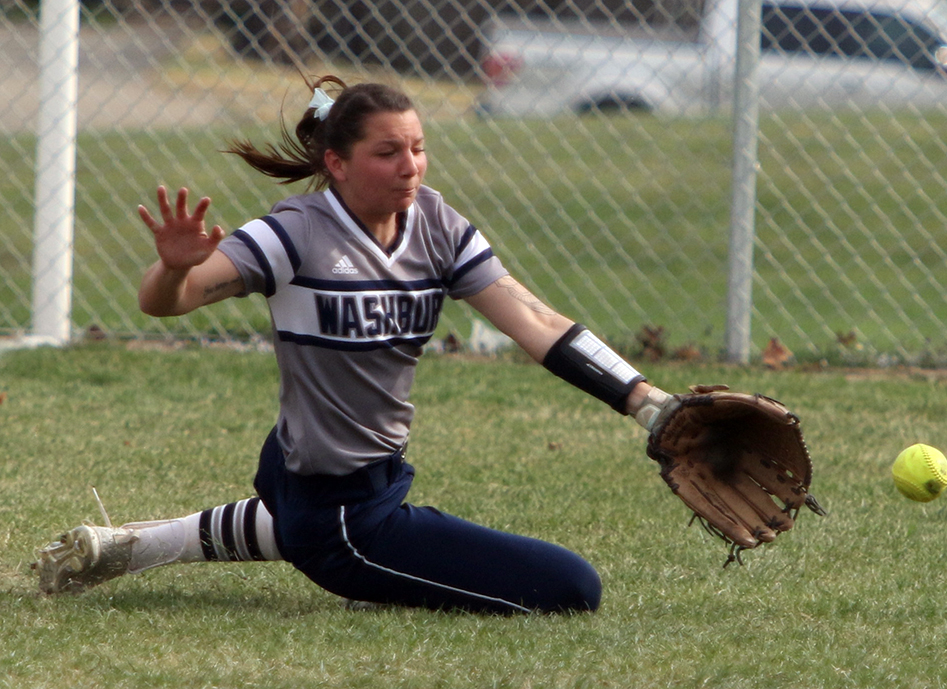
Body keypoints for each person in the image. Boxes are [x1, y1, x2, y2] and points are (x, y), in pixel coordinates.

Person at [33, 76, 676, 614]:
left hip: (348, 477)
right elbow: (166, 301)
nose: (410, 166)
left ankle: (132, 547)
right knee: (571, 588)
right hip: (340, 512)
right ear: (336, 164)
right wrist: (174, 267)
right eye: (387, 152)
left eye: (418, 148)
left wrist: (648, 402)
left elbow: (536, 321)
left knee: (309, 518)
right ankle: (327, 549)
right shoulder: (295, 234)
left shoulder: (436, 225)